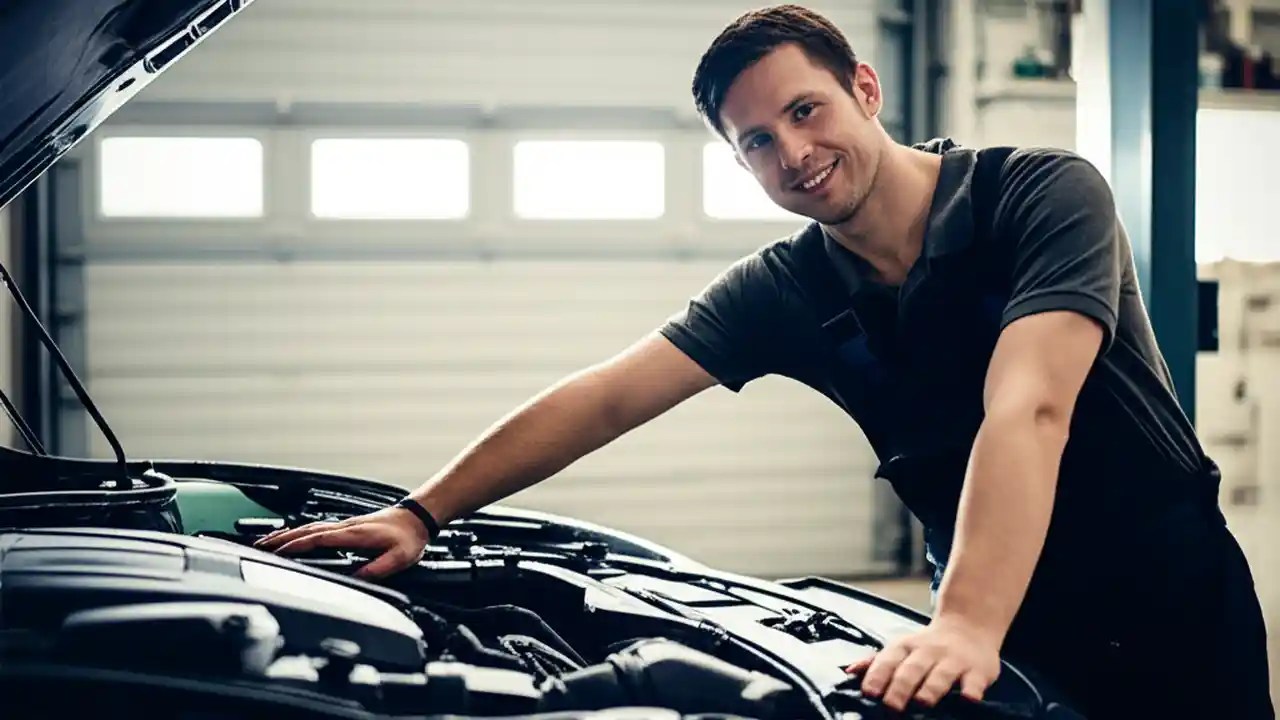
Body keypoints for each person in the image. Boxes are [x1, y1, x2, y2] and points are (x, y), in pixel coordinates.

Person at [255, 5, 1272, 718]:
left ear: (864, 88)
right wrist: (420, 512)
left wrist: (965, 623)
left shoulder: (1039, 196)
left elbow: (1031, 410)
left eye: (804, 110)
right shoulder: (786, 287)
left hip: (1161, 599)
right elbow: (607, 397)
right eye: (754, 142)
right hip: (998, 615)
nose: (790, 153)